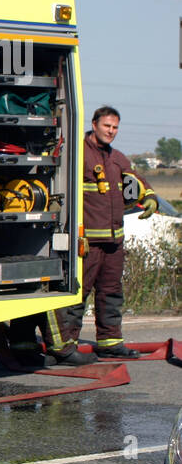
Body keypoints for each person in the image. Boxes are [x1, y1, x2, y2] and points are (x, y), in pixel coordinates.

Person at [57, 106, 157, 359]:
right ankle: (67, 346)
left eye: (115, 128)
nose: (111, 131)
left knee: (111, 292)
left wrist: (150, 197)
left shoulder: (118, 158)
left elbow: (136, 180)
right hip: (87, 241)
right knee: (79, 293)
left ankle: (110, 343)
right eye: (107, 126)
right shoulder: (78, 154)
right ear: (94, 124)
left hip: (114, 240)